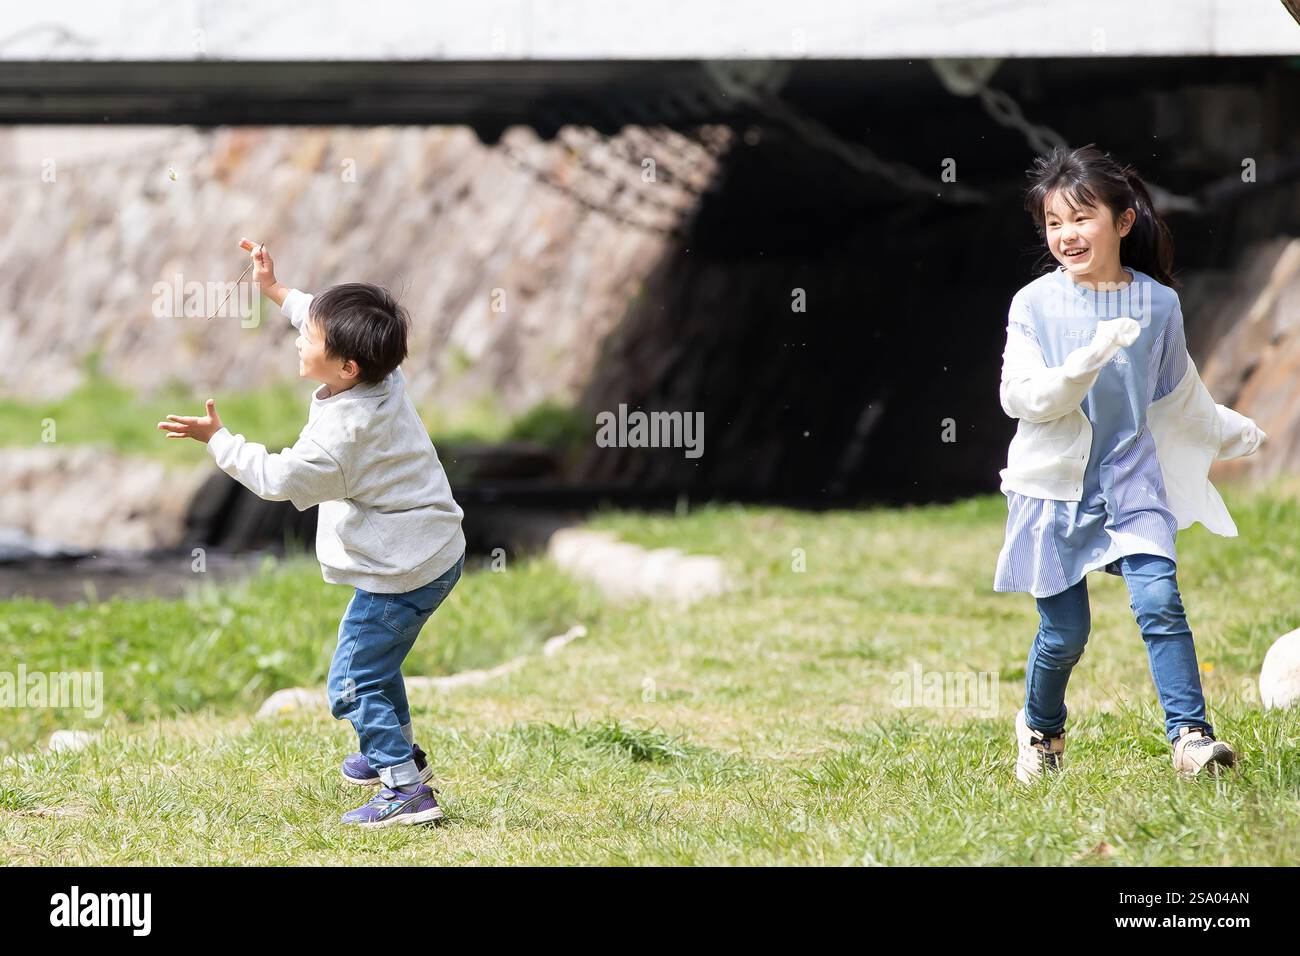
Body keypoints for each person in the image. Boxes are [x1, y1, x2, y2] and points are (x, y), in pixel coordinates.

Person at [159, 238, 465, 827]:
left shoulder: (339, 440)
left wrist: (216, 440)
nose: (300, 337)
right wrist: (276, 290)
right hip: (432, 549)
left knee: (352, 680)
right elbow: (316, 315)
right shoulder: (381, 376)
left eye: (310, 339)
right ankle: (397, 758)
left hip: (402, 571)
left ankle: (405, 791)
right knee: (379, 666)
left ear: (345, 366)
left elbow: (276, 478)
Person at [993, 145, 1267, 782]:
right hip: (1053, 489)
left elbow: (1177, 396)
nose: (1065, 234)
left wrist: (1232, 431)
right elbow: (1020, 398)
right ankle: (1040, 730)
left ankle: (1191, 737)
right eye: (1054, 223)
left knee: (1158, 600)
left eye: (1080, 217)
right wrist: (1079, 368)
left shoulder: (1158, 305)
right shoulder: (1032, 305)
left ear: (1122, 222)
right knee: (1065, 634)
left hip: (1128, 476)